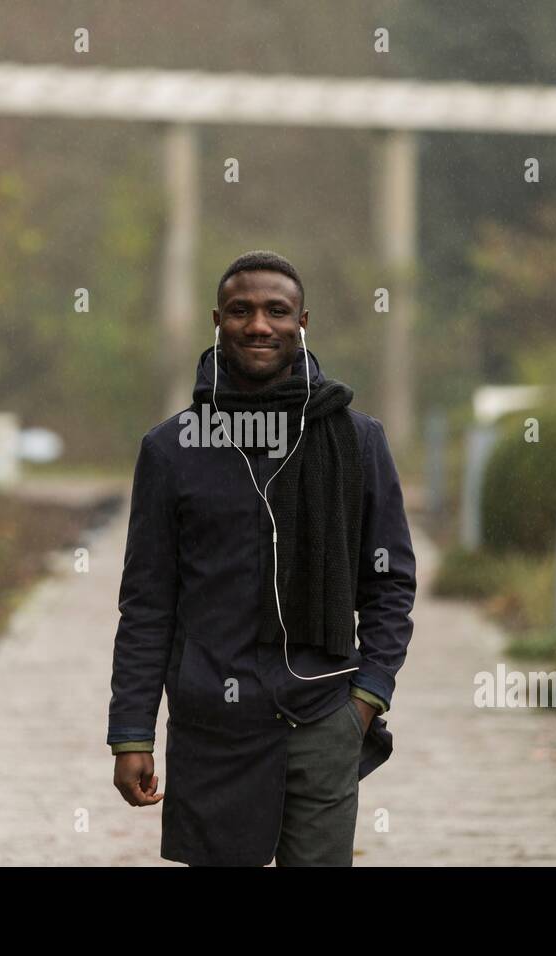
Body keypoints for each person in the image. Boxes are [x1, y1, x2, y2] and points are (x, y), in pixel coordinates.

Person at [107, 249, 416, 866]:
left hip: (323, 716)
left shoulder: (356, 441)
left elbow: (389, 583)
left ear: (304, 322)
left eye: (277, 311)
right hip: (212, 731)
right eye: (242, 311)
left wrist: (365, 700)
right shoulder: (172, 450)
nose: (259, 325)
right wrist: (131, 733)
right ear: (216, 320)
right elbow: (147, 604)